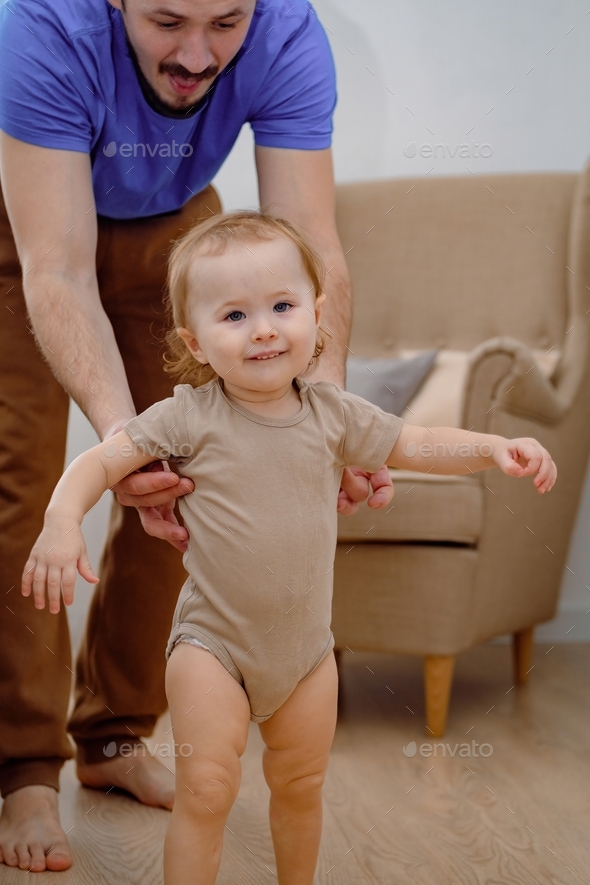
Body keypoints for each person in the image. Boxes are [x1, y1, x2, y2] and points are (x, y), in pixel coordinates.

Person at [21, 212, 557, 885]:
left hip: (306, 653)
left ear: (316, 313)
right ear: (196, 339)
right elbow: (100, 463)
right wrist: (61, 519)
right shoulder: (190, 414)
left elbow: (416, 443)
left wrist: (492, 449)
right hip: (212, 646)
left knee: (301, 785)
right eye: (235, 315)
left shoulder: (334, 414)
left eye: (281, 305)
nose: (265, 327)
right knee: (208, 792)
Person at [0, 0, 396, 873]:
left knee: (194, 480)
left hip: (178, 231)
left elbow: (314, 247)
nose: (195, 53)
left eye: (224, 23)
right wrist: (120, 443)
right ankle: (23, 767)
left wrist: (326, 420)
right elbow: (58, 266)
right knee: (22, 488)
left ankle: (113, 733)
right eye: (167, 20)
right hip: (25, 229)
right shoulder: (38, 27)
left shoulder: (289, 34)